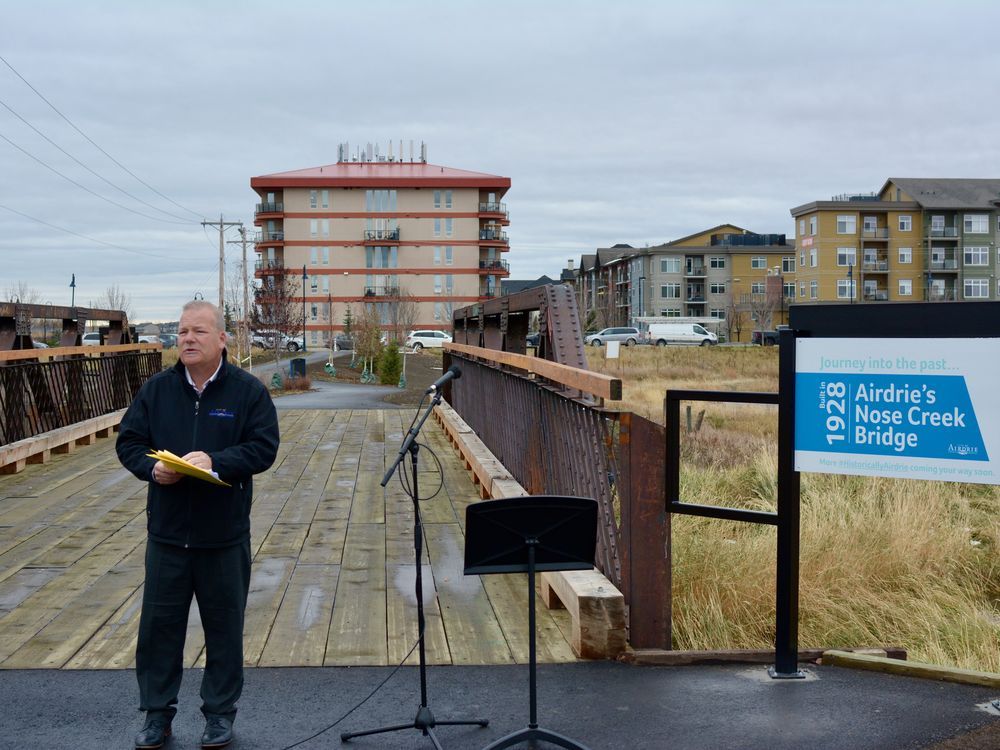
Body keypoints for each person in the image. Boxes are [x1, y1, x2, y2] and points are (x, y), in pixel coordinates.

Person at [116, 300, 279, 750]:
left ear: (222, 339)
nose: (187, 339)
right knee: (158, 630)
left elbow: (264, 448)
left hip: (223, 537)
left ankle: (219, 715)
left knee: (224, 630)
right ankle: (156, 715)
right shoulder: (157, 390)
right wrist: (151, 469)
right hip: (167, 535)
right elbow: (129, 442)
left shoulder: (247, 392)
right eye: (183, 331)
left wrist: (218, 462)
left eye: (198, 332)